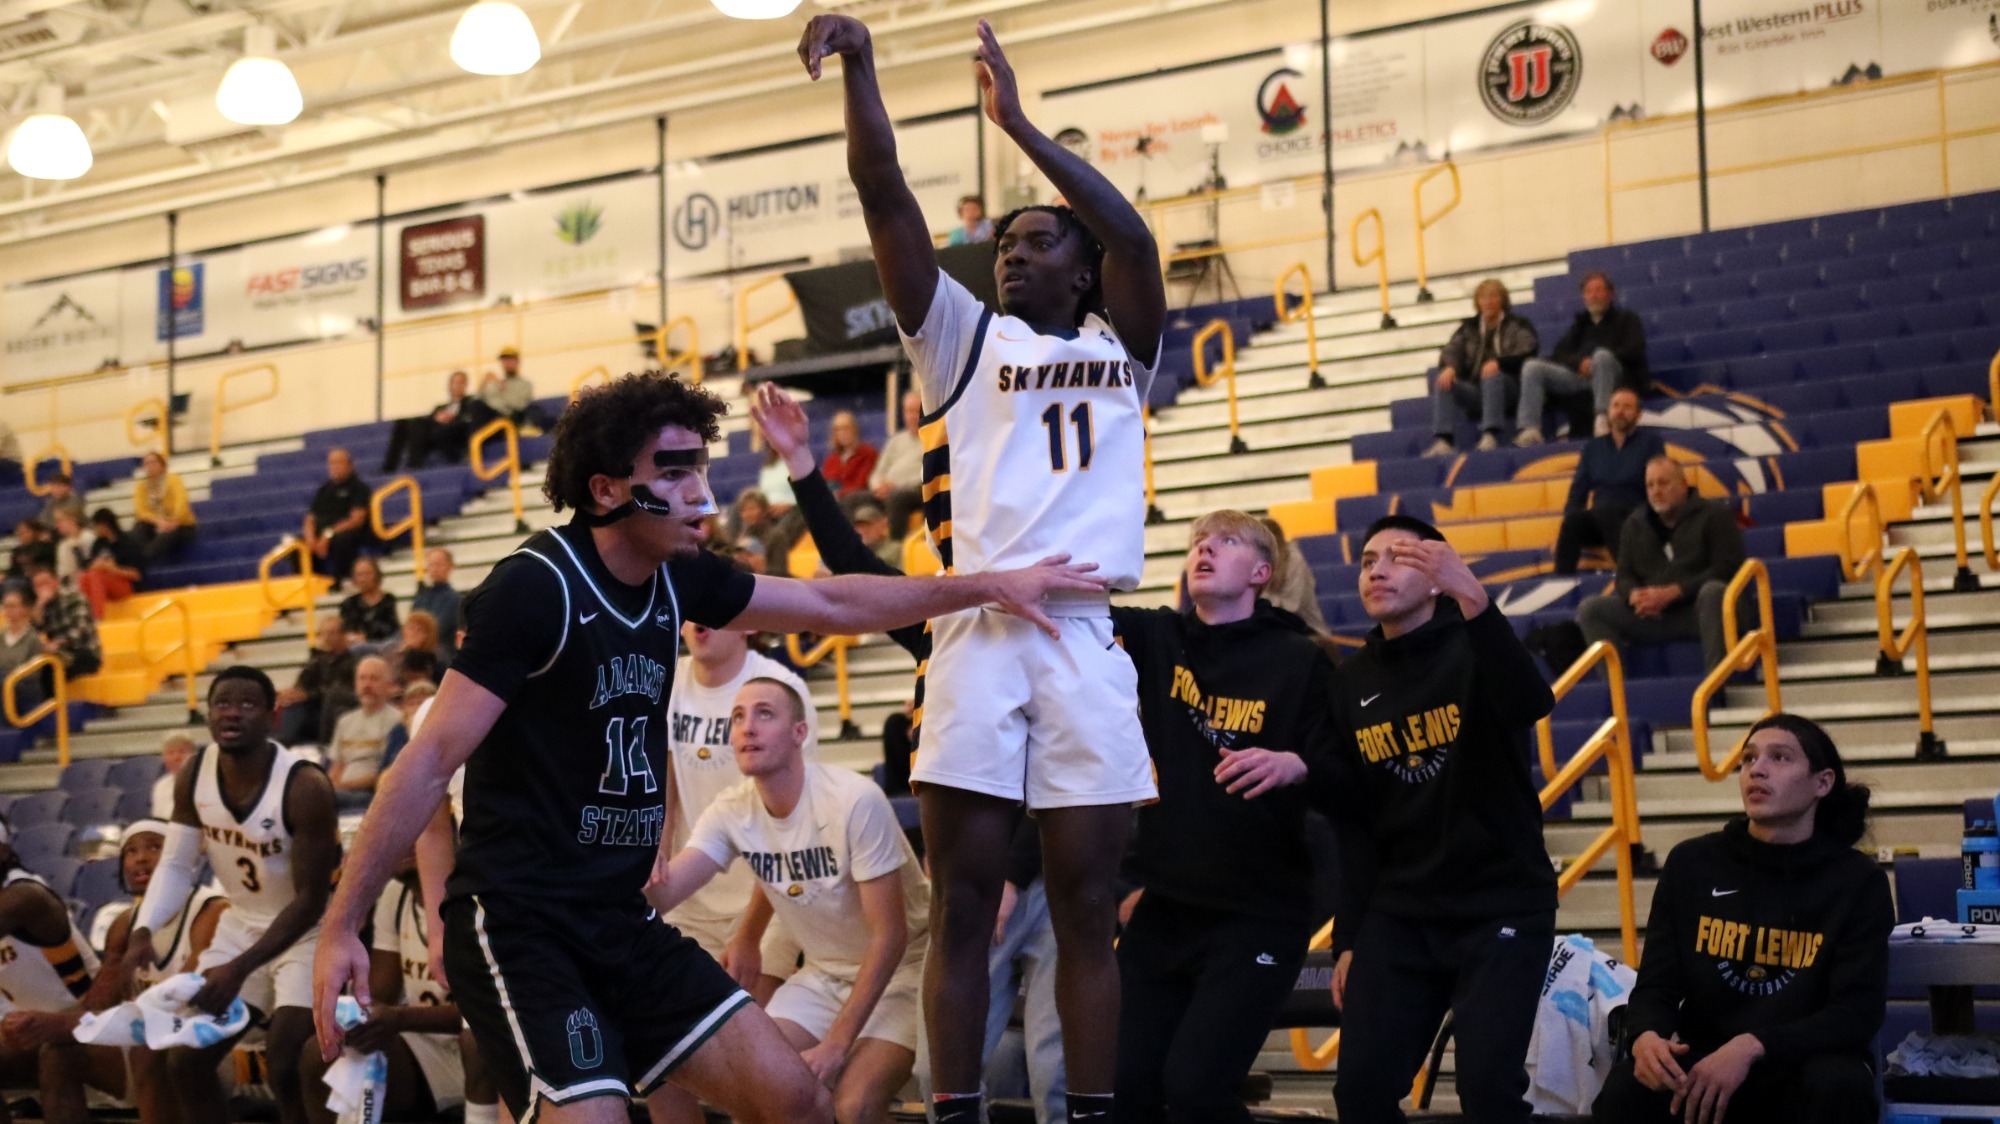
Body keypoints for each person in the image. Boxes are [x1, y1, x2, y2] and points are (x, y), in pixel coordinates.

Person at [311, 370, 1106, 1124]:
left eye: (702, 467)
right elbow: (425, 763)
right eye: (677, 470)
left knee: (797, 1103)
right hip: (524, 926)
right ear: (607, 489)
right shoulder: (536, 588)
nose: (703, 493)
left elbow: (829, 599)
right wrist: (342, 921)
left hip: (620, 921)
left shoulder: (678, 575)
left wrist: (986, 586)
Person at [806, 13, 1167, 1120]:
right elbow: (885, 197)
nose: (1010, 250)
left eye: (1035, 240)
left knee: (1085, 905)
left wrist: (1016, 125)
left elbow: (1137, 240)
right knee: (962, 903)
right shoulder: (961, 338)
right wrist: (862, 71)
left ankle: (1091, 1109)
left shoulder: (1124, 342)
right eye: (1002, 241)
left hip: (1084, 632)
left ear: (1081, 269)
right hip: (976, 636)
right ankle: (954, 1108)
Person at [750, 381, 1067, 1119]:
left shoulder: (1048, 629)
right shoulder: (935, 625)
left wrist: (1014, 872)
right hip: (966, 880)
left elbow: (1047, 771)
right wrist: (800, 460)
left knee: (1057, 1066)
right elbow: (848, 560)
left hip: (1043, 871)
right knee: (942, 1074)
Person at [1110, 511, 1345, 1124]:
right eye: (1197, 543)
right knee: (1122, 1091)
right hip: (1164, 909)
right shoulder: (1161, 638)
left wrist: (1298, 763)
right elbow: (1082, 607)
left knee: (1195, 1092)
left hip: (1257, 913)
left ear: (1262, 573)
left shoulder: (1300, 660)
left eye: (1227, 541)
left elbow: (1353, 774)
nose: (1205, 549)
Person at [1326, 514, 1558, 1124]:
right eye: (1367, 559)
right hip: (1401, 912)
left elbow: (1532, 703)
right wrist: (1349, 938)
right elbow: (1354, 822)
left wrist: (1475, 597)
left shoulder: (1477, 641)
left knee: (1487, 1091)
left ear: (1436, 577)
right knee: (1360, 1093)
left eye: (1396, 557)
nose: (1376, 569)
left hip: (1500, 904)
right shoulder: (1350, 683)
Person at [647, 677, 931, 1124]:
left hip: (903, 976)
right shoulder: (731, 810)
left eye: (764, 713)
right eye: (737, 717)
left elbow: (891, 937)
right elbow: (664, 894)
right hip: (822, 977)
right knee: (761, 1088)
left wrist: (838, 1043)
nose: (747, 728)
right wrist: (635, 861)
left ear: (800, 733)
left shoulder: (854, 800)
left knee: (854, 1106)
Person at [1592, 713, 1893, 1124]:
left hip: (1800, 1063)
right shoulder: (1692, 863)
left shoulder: (1858, 882)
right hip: (1705, 1061)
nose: (1758, 769)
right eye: (1749, 759)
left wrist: (1752, 1045)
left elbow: (1855, 1014)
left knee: (1839, 1087)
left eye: (1780, 758)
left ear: (1822, 783)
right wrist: (1645, 1036)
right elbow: (1656, 986)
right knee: (1627, 1089)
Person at [110, 665, 339, 1124]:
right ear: (209, 714)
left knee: (286, 1061)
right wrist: (142, 931)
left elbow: (312, 900)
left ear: (273, 716)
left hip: (307, 934)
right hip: (240, 928)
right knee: (187, 1061)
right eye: (222, 704)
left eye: (247, 705)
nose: (232, 714)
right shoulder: (194, 773)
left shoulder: (305, 786)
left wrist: (238, 968)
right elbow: (176, 864)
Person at [31, 818, 228, 1124]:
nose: (140, 858)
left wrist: (61, 1022)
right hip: (150, 1047)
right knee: (59, 1055)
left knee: (148, 1047)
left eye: (154, 847)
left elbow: (186, 1001)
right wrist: (56, 1026)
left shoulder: (211, 910)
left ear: (182, 860)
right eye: (130, 852)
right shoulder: (124, 923)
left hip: (218, 1047)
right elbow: (99, 1006)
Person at [661, 617, 814, 997]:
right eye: (693, 608)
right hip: (690, 891)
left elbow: (792, 818)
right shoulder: (667, 680)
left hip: (770, 894)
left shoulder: (780, 688)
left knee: (749, 1026)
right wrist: (658, 858)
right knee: (678, 1028)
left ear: (749, 623)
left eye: (712, 608)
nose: (700, 619)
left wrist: (749, 933)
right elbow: (666, 787)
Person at [299, 853, 464, 1124]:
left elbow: (493, 1011)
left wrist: (399, 1018)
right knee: (320, 1054)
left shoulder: (477, 899)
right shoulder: (395, 895)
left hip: (479, 1044)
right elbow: (377, 994)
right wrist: (355, 1018)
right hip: (425, 1042)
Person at [1577, 455, 1748, 671]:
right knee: (1591, 608)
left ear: (1684, 486)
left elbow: (1728, 567)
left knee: (1713, 592)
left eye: (1663, 483)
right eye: (1650, 485)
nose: (1656, 491)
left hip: (1701, 609)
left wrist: (1677, 591)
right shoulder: (1635, 523)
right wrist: (1634, 595)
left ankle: (1719, 690)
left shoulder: (1716, 514)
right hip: (1655, 615)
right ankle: (1616, 697)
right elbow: (1624, 576)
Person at [0, 817, 102, 1124]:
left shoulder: (25, 895)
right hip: (33, 1029)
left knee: (55, 1056)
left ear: (4, 852)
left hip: (89, 1020)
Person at [1517, 271, 1650, 444]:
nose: (1593, 296)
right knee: (1532, 366)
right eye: (1588, 291)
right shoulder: (1580, 324)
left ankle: (1602, 418)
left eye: (1598, 290)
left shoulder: (1627, 319)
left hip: (1617, 377)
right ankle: (1530, 429)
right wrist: (1579, 363)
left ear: (1610, 294)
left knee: (1602, 356)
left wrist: (1597, 361)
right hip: (1583, 377)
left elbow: (1635, 350)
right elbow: (1559, 354)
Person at [1552, 387, 1664, 575]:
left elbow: (1659, 482)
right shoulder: (1592, 448)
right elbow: (1577, 494)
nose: (1620, 411)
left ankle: (1631, 574)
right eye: (1616, 406)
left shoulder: (1651, 443)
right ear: (1609, 411)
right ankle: (1561, 584)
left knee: (1605, 509)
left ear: (1638, 414)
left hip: (1637, 517)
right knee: (1572, 522)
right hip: (1600, 519)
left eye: (1627, 407)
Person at [1424, 279, 1539, 456]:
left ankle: (1490, 434)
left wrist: (1499, 363)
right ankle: (1444, 441)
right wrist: (1449, 367)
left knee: (1492, 374)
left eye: (1493, 296)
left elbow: (1528, 349)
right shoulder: (1468, 328)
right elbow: (1451, 350)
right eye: (1484, 297)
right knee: (1444, 379)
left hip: (1509, 387)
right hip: (1476, 390)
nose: (1488, 301)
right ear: (1478, 302)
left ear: (1502, 300)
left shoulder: (1517, 324)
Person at [384, 369, 494, 472]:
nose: (456, 386)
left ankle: (415, 465)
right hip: (433, 431)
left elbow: (468, 419)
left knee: (425, 427)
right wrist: (436, 418)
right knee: (404, 423)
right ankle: (389, 467)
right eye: (453, 383)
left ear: (465, 385)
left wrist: (451, 417)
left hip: (450, 433)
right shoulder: (440, 407)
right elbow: (429, 421)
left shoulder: (469, 402)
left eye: (459, 383)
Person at [275, 614, 359, 748]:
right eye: (323, 634)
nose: (326, 638)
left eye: (331, 633)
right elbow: (302, 682)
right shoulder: (317, 660)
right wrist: (294, 693)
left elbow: (338, 691)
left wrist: (307, 695)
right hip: (311, 709)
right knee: (291, 702)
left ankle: (285, 743)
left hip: (330, 711)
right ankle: (283, 745)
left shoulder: (352, 663)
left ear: (343, 635)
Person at [326, 656, 398, 807]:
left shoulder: (397, 721)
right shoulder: (344, 721)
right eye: (362, 679)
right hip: (341, 791)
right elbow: (337, 765)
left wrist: (342, 786)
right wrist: (328, 787)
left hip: (372, 794)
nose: (367, 685)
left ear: (388, 685)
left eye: (374, 679)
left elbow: (387, 772)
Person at [303, 448, 373, 585]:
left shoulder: (359, 488)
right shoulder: (324, 489)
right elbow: (310, 518)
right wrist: (311, 539)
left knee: (340, 540)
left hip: (348, 534)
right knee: (298, 547)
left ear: (350, 465)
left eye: (338, 462)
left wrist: (328, 535)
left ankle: (341, 580)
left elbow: (356, 520)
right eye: (331, 463)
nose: (334, 467)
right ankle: (311, 586)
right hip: (324, 533)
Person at [1257, 516, 1331, 637]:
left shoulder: (1294, 560)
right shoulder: (1255, 562)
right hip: (1274, 630)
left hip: (1309, 632)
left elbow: (1292, 607)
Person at [31, 566, 101, 679]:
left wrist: (57, 643)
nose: (43, 588)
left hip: (85, 652)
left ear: (56, 581)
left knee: (49, 673)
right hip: (59, 653)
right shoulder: (41, 606)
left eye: (46, 583)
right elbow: (33, 632)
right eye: (38, 586)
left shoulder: (75, 598)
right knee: (35, 670)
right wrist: (39, 606)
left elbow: (80, 632)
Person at [77, 508, 145, 618]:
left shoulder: (128, 543)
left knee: (97, 577)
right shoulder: (98, 544)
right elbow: (90, 566)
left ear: (103, 526)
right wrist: (95, 566)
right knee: (84, 577)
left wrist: (112, 569)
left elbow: (137, 575)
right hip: (103, 584)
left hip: (125, 584)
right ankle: (84, 616)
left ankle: (98, 617)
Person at [131, 452, 198, 562]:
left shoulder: (173, 480)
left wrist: (172, 521)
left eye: (153, 462)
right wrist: (158, 522)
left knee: (166, 535)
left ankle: (142, 560)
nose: (150, 466)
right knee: (139, 528)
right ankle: (139, 558)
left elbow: (181, 502)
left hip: (181, 525)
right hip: (157, 523)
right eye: (146, 463)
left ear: (163, 466)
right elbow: (140, 511)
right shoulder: (141, 487)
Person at [477, 346, 548, 434]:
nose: (507, 363)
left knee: (535, 409)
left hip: (511, 419)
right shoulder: (495, 384)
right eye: (505, 361)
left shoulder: (525, 384)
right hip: (492, 420)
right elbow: (480, 400)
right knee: (475, 406)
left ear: (517, 362)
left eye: (510, 360)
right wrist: (483, 384)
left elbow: (518, 405)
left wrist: (502, 387)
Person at [409, 548, 462, 664]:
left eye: (439, 564)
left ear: (450, 567)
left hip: (441, 650)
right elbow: (410, 623)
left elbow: (439, 629)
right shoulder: (420, 597)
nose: (435, 569)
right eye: (431, 565)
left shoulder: (455, 599)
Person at [0, 589, 42, 712]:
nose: (9, 610)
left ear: (24, 609)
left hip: (25, 685)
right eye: (6, 606)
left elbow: (34, 672)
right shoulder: (1, 636)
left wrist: (10, 676)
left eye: (12, 606)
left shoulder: (32, 638)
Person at [821, 410, 879, 497]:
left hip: (859, 499)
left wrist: (838, 494)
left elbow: (861, 486)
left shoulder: (869, 454)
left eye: (846, 428)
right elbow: (829, 486)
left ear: (855, 430)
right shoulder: (831, 461)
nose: (842, 433)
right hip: (836, 501)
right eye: (837, 430)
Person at [148, 733, 199, 818]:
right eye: (170, 753)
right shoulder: (161, 786)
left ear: (195, 756)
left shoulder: (205, 783)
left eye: (182, 752)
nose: (176, 758)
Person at [850, 501, 901, 569]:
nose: (863, 531)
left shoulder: (896, 550)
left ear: (882, 526)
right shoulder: (855, 554)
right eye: (859, 527)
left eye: (867, 525)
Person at [49, 509, 93, 586]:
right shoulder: (62, 545)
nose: (57, 525)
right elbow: (62, 573)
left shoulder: (88, 537)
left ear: (72, 520)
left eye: (59, 521)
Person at [6, 519, 55, 585]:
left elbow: (44, 561)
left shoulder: (45, 546)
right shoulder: (17, 551)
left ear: (35, 532)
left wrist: (40, 542)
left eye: (25, 532)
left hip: (39, 578)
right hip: (19, 580)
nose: (22, 536)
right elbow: (13, 571)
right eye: (19, 533)